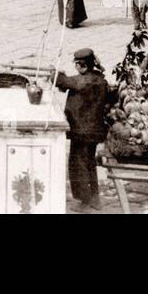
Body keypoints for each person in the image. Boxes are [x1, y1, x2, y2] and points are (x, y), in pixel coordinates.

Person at [53, 48, 109, 209]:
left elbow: (63, 81)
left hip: (81, 131)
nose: (76, 67)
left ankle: (84, 202)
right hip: (95, 130)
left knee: (78, 165)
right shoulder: (100, 80)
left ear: (81, 65)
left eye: (77, 64)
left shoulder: (84, 81)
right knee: (90, 164)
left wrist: (55, 73)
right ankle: (94, 198)